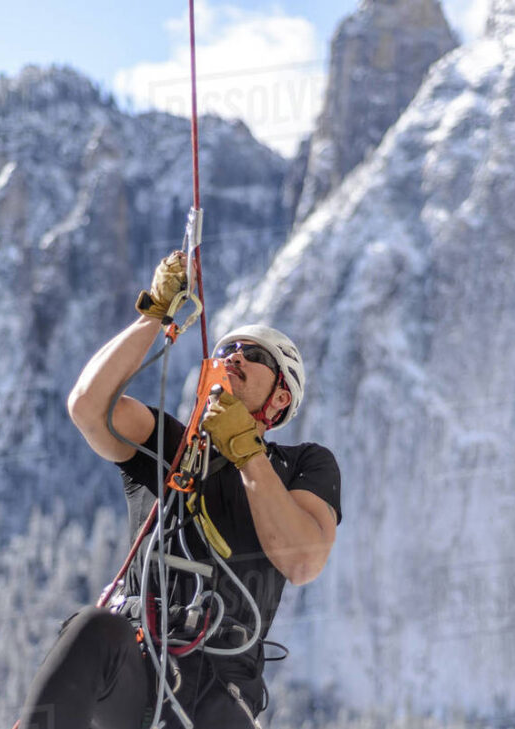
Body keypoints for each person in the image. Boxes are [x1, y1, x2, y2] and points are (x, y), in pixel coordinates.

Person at [18, 252, 341, 729]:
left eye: (254, 357)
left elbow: (302, 558)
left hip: (219, 686)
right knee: (94, 630)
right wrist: (155, 314)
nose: (234, 357)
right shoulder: (170, 447)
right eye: (229, 351)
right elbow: (89, 406)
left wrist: (245, 450)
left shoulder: (301, 465)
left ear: (279, 399)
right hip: (141, 659)